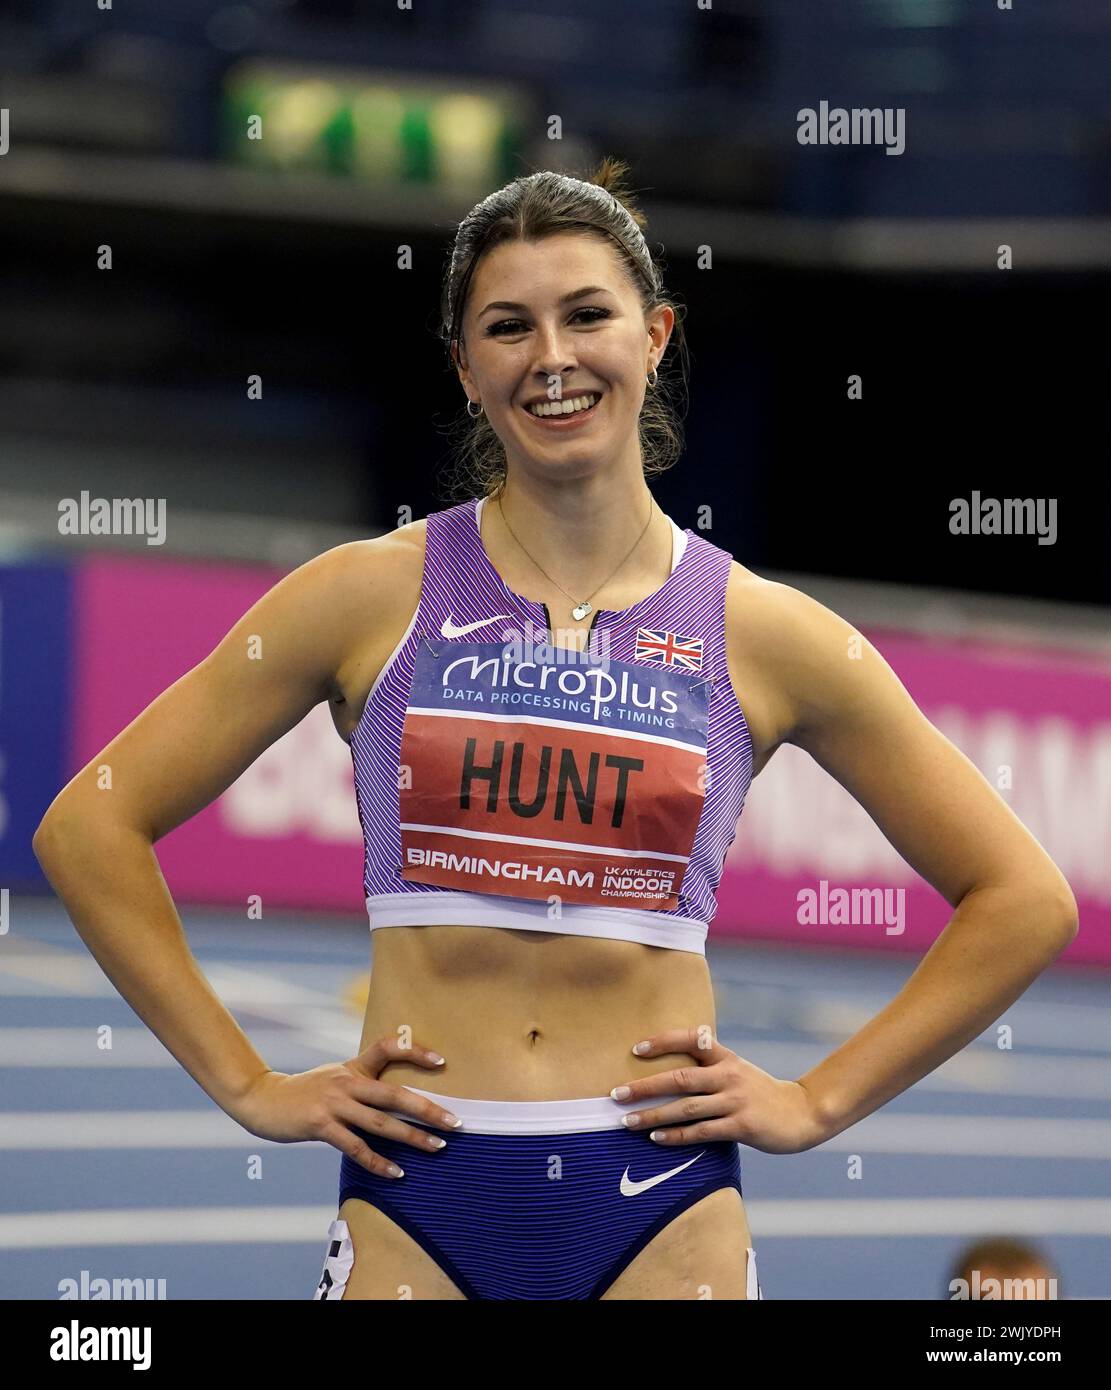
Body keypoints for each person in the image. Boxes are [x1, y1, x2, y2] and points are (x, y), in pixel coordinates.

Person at [33, 159, 1079, 1302]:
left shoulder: (769, 633)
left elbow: (1023, 898)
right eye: (507, 326)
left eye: (587, 314)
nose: (552, 357)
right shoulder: (363, 595)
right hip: (416, 1193)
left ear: (657, 334)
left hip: (662, 1206)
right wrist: (246, 1082)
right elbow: (90, 826)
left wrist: (817, 1099)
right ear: (466, 367)